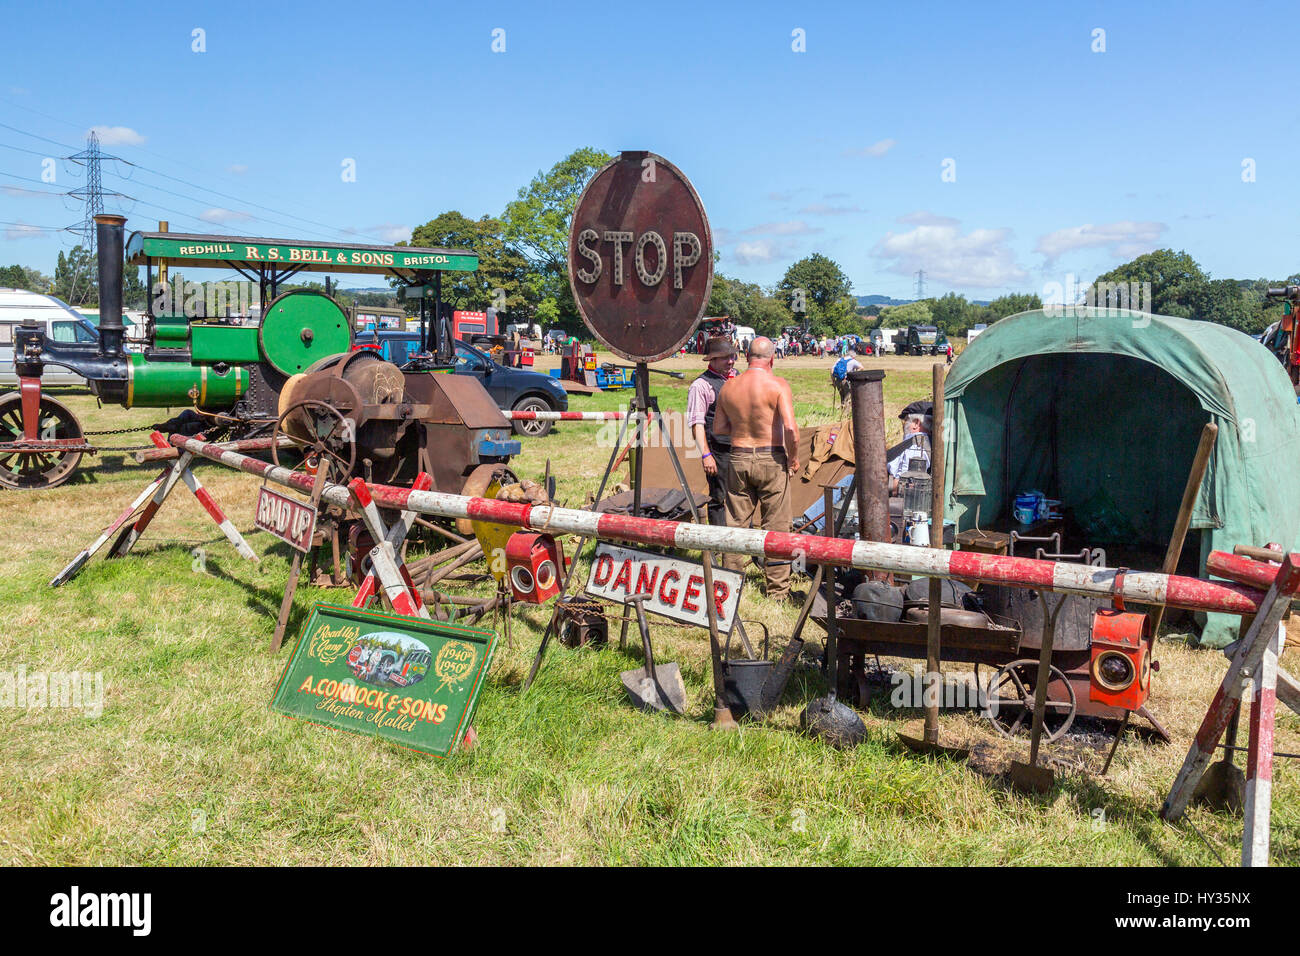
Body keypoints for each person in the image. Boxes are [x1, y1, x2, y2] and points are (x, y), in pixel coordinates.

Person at [713, 337, 800, 600]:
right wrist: (793, 458)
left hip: (738, 457)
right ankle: (777, 591)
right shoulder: (778, 385)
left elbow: (717, 429)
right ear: (772, 359)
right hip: (770, 457)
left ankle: (729, 584)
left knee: (735, 525)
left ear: (746, 357)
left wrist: (741, 428)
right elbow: (791, 430)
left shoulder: (729, 387)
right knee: (777, 527)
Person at [686, 336, 738, 526]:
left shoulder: (738, 376)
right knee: (718, 498)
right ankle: (718, 545)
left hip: (739, 447)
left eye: (732, 356)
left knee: (742, 497)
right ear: (712, 360)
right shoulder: (701, 385)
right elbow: (697, 424)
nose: (730, 361)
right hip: (717, 450)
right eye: (725, 358)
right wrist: (706, 454)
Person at [887, 402, 933, 495]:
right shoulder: (917, 443)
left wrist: (878, 485)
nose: (903, 426)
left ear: (916, 423)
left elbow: (907, 484)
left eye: (906, 420)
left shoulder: (916, 446)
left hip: (899, 502)